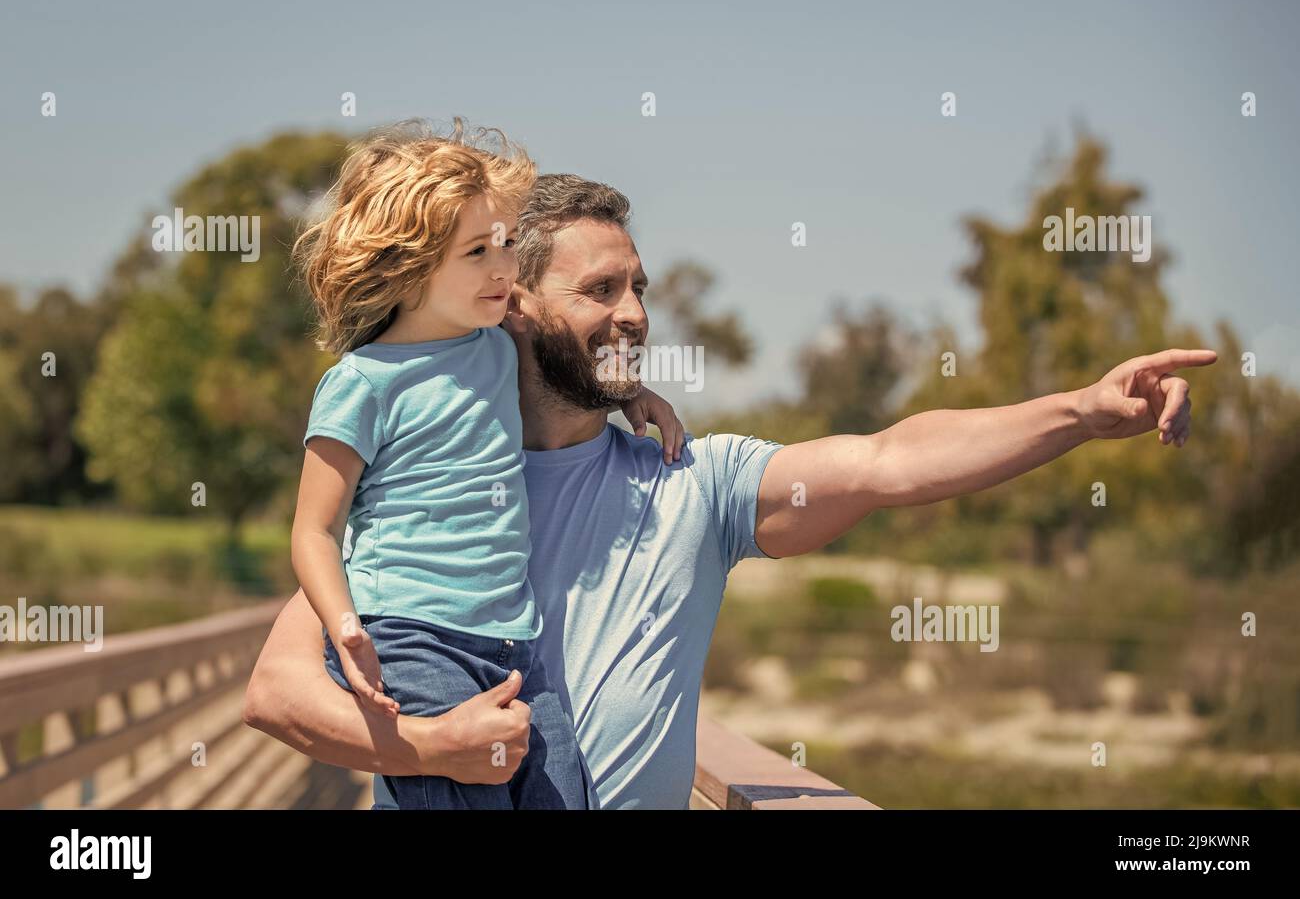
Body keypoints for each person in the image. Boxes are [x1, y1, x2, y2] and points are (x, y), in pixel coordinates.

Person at [247, 170, 1213, 809]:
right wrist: (437, 746)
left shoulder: (691, 478)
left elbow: (888, 459)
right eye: (599, 292)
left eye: (640, 288)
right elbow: (278, 690)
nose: (634, 314)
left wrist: (1079, 414)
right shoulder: (425, 496)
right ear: (511, 305)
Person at [287, 123, 683, 809]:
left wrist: (630, 390)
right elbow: (313, 530)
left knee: (563, 792)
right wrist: (344, 622)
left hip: (509, 640)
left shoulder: (496, 344)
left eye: (505, 246)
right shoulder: (362, 383)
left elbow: (572, 356)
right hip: (411, 634)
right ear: (407, 266)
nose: (504, 268)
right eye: (478, 252)